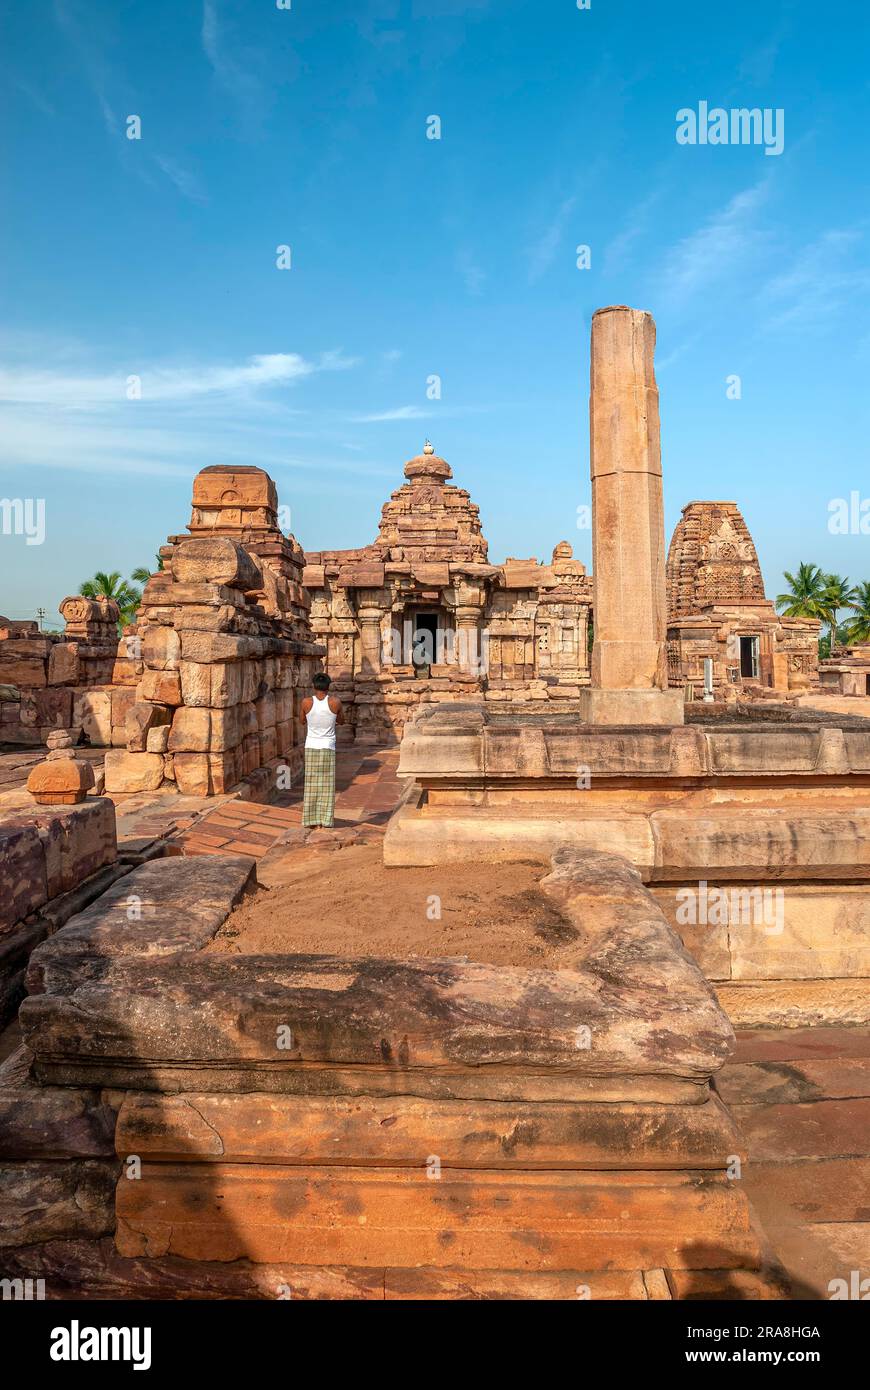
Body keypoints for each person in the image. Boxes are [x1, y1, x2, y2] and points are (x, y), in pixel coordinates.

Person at [300, 672, 344, 829]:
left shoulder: (305, 702)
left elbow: (302, 720)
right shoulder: (335, 702)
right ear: (328, 686)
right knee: (327, 785)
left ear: (313, 686)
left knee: (311, 784)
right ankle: (326, 820)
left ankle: (310, 820)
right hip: (328, 746)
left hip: (311, 745)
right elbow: (341, 720)